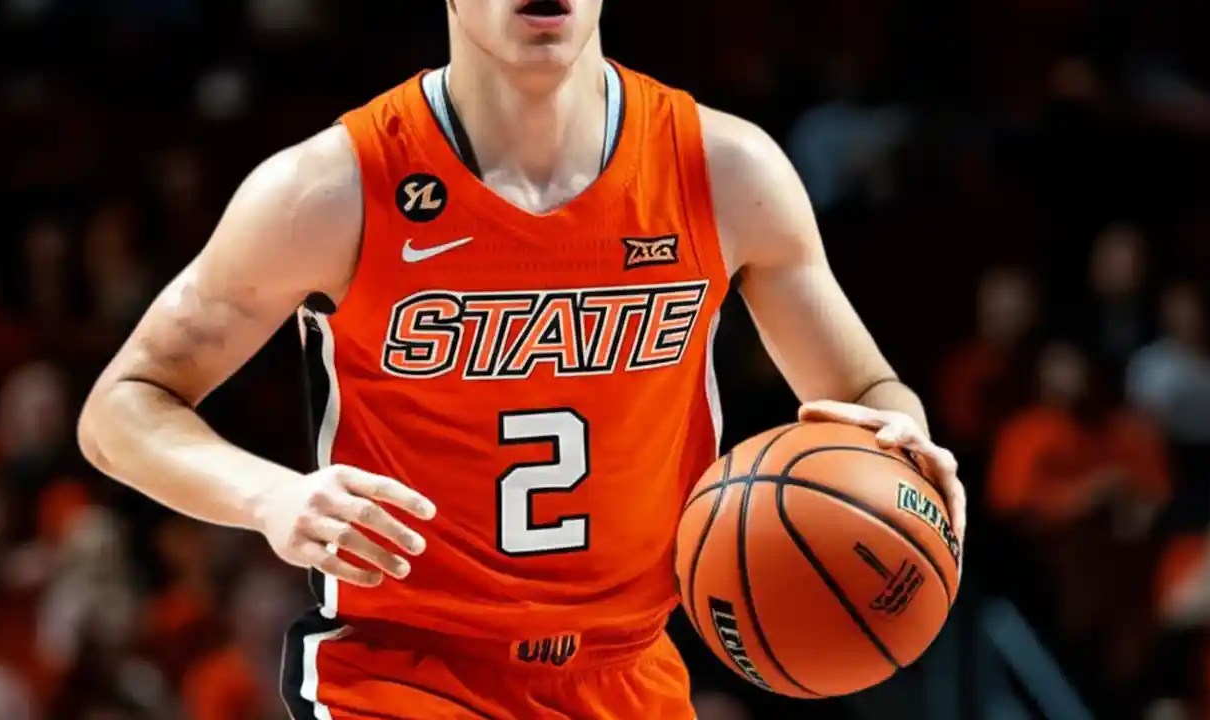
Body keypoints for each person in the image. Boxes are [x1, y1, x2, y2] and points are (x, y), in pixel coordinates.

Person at [77, 2, 966, 718]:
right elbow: (122, 406)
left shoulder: (725, 172)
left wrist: (902, 448)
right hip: (404, 675)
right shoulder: (330, 189)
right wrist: (269, 496)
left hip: (632, 673)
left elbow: (862, 391)